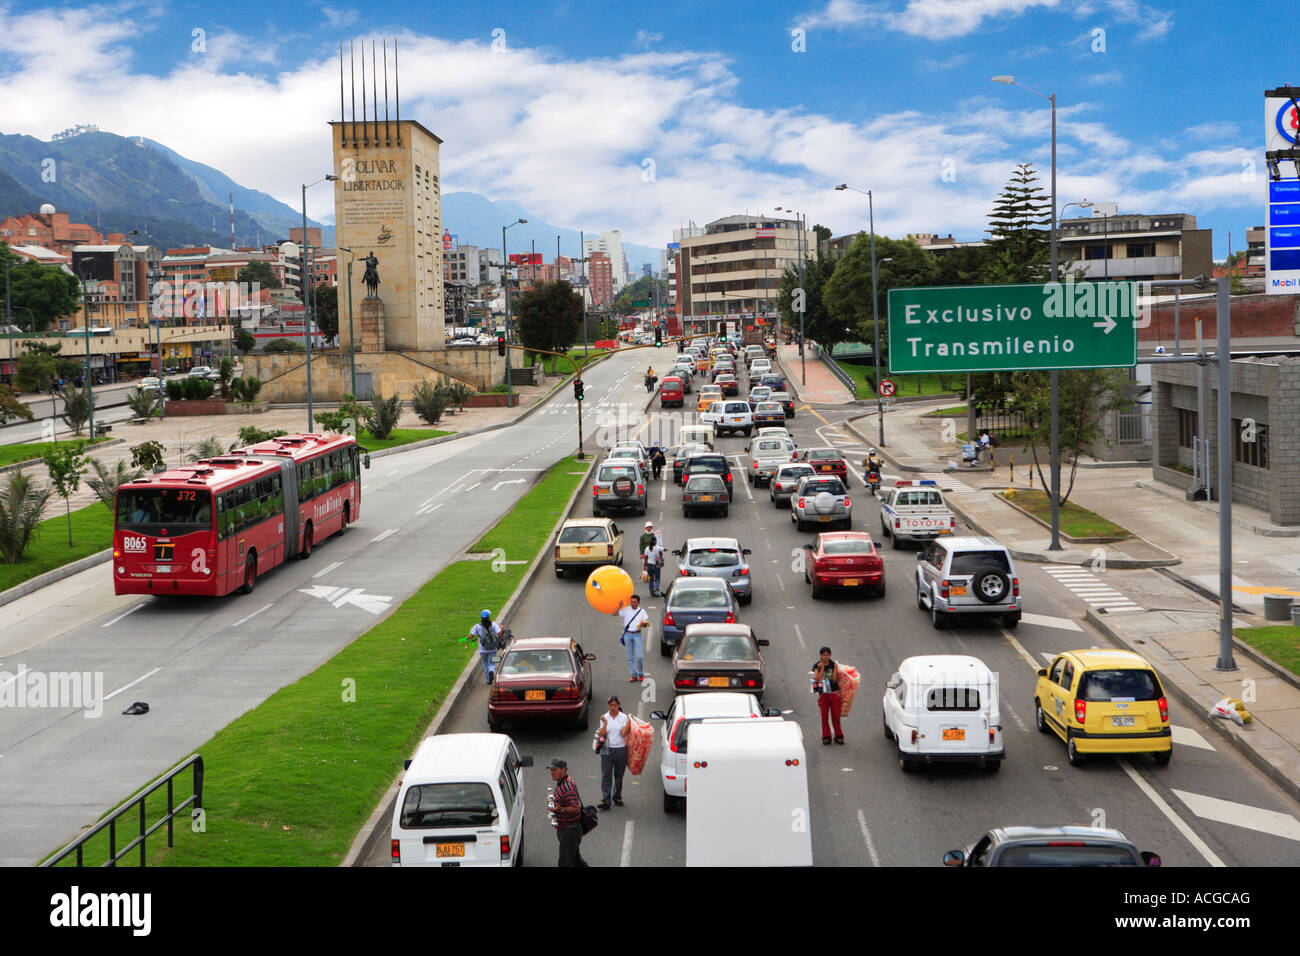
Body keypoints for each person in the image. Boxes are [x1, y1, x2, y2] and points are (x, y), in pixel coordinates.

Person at [548, 758, 588, 867]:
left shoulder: (567, 786)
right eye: (551, 769)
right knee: (575, 860)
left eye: (554, 770)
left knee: (565, 863)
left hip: (570, 831)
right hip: (566, 829)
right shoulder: (562, 782)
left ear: (563, 769)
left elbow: (576, 808)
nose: (552, 772)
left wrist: (560, 809)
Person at [596, 696, 630, 809]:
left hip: (620, 749)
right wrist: (605, 723)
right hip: (606, 749)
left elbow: (623, 733)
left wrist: (629, 721)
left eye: (615, 705)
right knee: (606, 775)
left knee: (619, 775)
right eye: (611, 705)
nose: (613, 707)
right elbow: (601, 734)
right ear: (608, 706)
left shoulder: (623, 717)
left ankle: (617, 796)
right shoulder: (604, 717)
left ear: (618, 705)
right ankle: (606, 799)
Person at [811, 646, 845, 745]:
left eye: (827, 655)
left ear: (830, 655)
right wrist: (821, 668)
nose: (825, 657)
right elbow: (817, 679)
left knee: (836, 716)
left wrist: (835, 668)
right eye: (824, 655)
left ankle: (839, 736)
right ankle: (826, 736)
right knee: (824, 716)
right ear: (821, 655)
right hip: (823, 694)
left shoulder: (833, 665)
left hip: (834, 693)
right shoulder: (817, 665)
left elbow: (834, 679)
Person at [617, 594, 649, 683]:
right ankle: (633, 675)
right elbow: (614, 613)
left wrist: (643, 624)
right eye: (631, 602)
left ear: (638, 603)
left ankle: (641, 674)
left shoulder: (642, 611)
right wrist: (619, 606)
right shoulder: (626, 609)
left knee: (639, 657)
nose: (632, 603)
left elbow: (646, 624)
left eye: (634, 602)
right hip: (627, 635)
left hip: (637, 635)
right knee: (630, 657)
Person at [469, 609, 504, 684]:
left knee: (485, 664)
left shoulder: (477, 626)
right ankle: (491, 671)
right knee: (491, 663)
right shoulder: (493, 624)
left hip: (482, 649)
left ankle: (488, 680)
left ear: (481, 617)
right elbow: (499, 634)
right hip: (492, 648)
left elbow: (471, 636)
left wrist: (467, 639)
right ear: (489, 617)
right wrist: (501, 628)